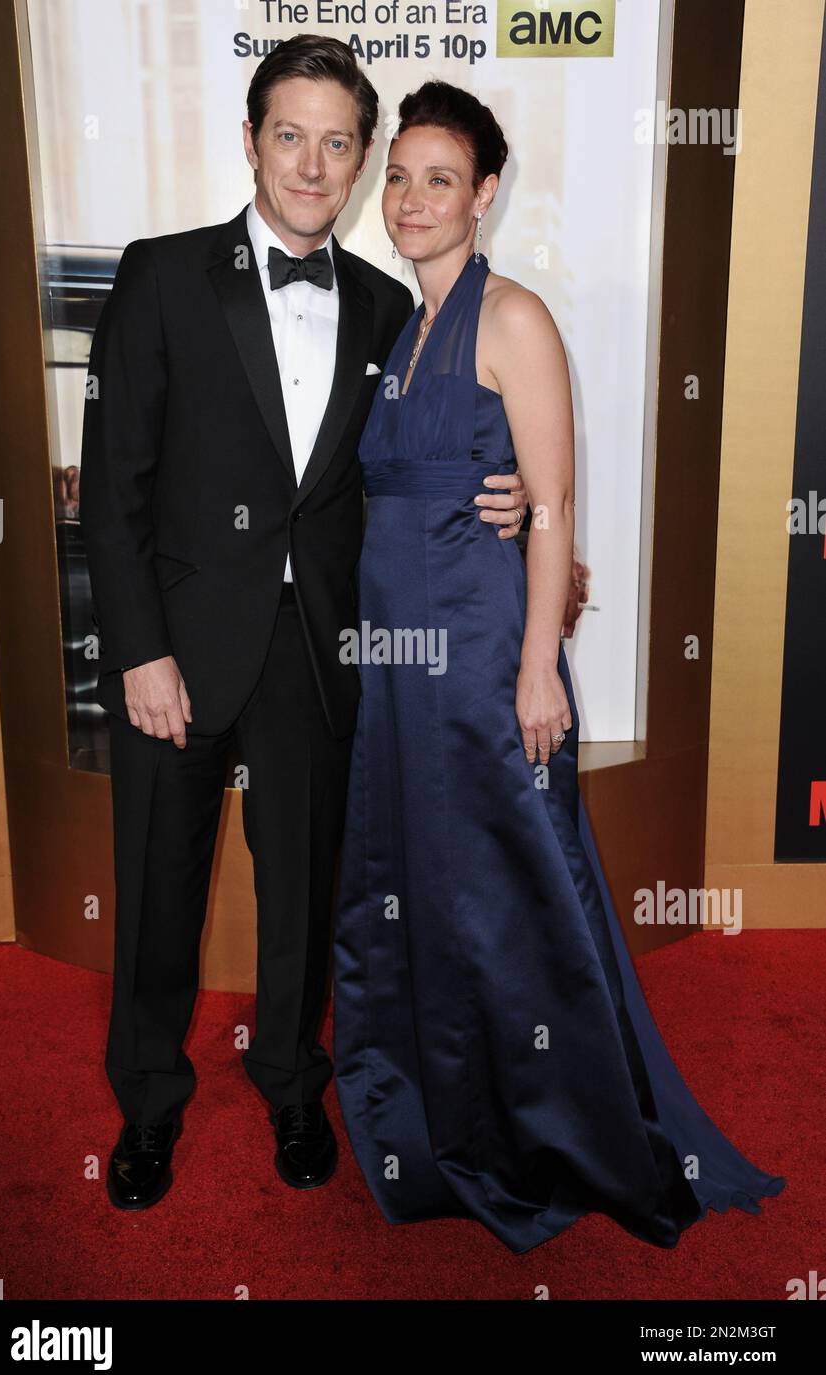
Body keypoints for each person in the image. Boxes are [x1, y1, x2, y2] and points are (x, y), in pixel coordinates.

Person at [332, 80, 786, 1254]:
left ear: (485, 193)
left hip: (484, 656)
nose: (412, 198)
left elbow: (552, 509)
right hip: (397, 668)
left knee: (509, 886)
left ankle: (554, 1121)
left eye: (440, 178)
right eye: (399, 175)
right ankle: (442, 1097)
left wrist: (539, 666)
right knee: (423, 878)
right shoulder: (400, 323)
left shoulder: (513, 318)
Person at [78, 37, 526, 1211]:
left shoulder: (387, 305)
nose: (314, 164)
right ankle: (148, 1102)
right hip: (174, 650)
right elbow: (112, 484)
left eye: (340, 142)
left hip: (320, 658)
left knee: (305, 891)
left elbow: (422, 460)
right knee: (156, 890)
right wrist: (137, 648)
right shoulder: (162, 274)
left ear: (362, 155)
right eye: (292, 134)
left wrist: (513, 493)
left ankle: (289, 1078)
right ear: (250, 141)